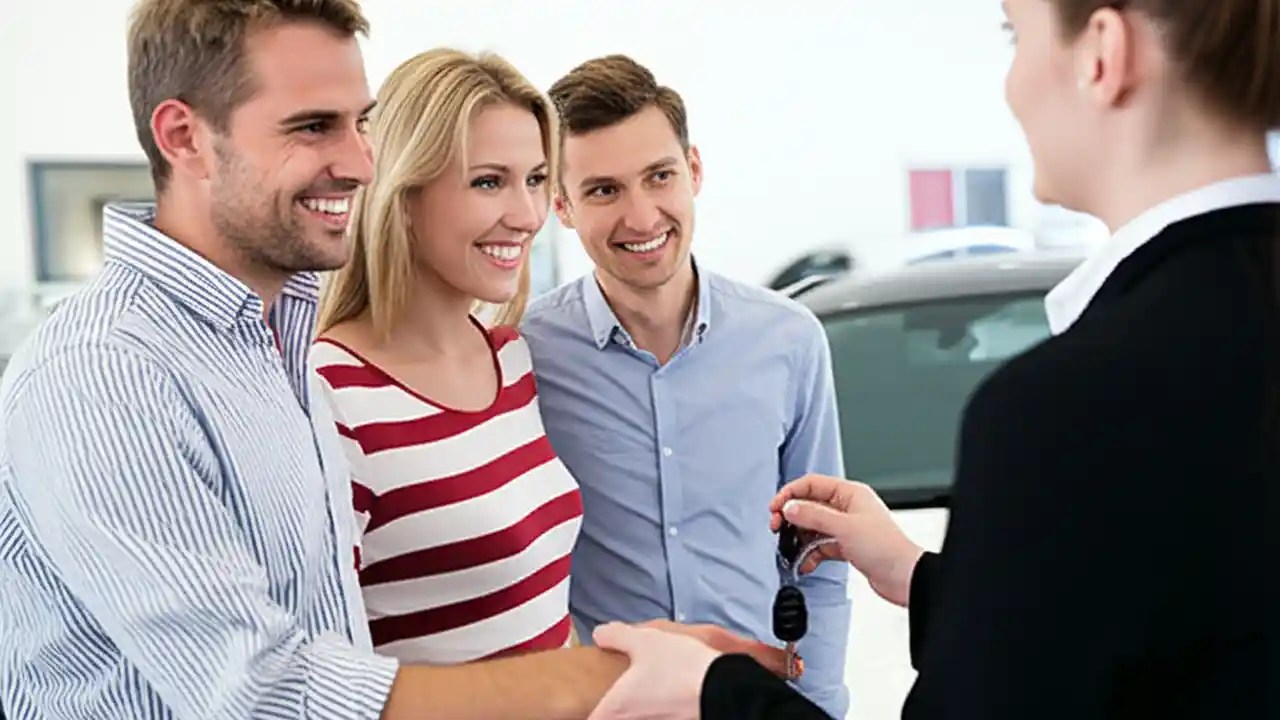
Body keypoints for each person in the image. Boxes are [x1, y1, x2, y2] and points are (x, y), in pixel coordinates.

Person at [0, 3, 780, 718]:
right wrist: (620, 676)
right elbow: (266, 690)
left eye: (359, 124)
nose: (361, 162)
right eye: (312, 127)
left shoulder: (278, 348)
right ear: (183, 138)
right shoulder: (104, 373)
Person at [584, 0, 1280, 718]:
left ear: (1102, 54)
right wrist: (917, 575)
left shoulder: (1062, 412)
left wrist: (711, 689)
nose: (1009, 84)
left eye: (1016, 34)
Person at [308, 48, 784, 672]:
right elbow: (321, 683)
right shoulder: (332, 395)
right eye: (488, 181)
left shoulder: (510, 362)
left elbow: (531, 631)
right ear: (403, 191)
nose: (527, 215)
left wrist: (672, 654)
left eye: (535, 180)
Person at [520, 54, 852, 716]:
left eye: (659, 177)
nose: (642, 217)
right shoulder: (525, 356)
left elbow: (821, 555)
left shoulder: (789, 340)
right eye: (604, 190)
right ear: (560, 204)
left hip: (759, 705)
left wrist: (815, 708)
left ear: (693, 170)